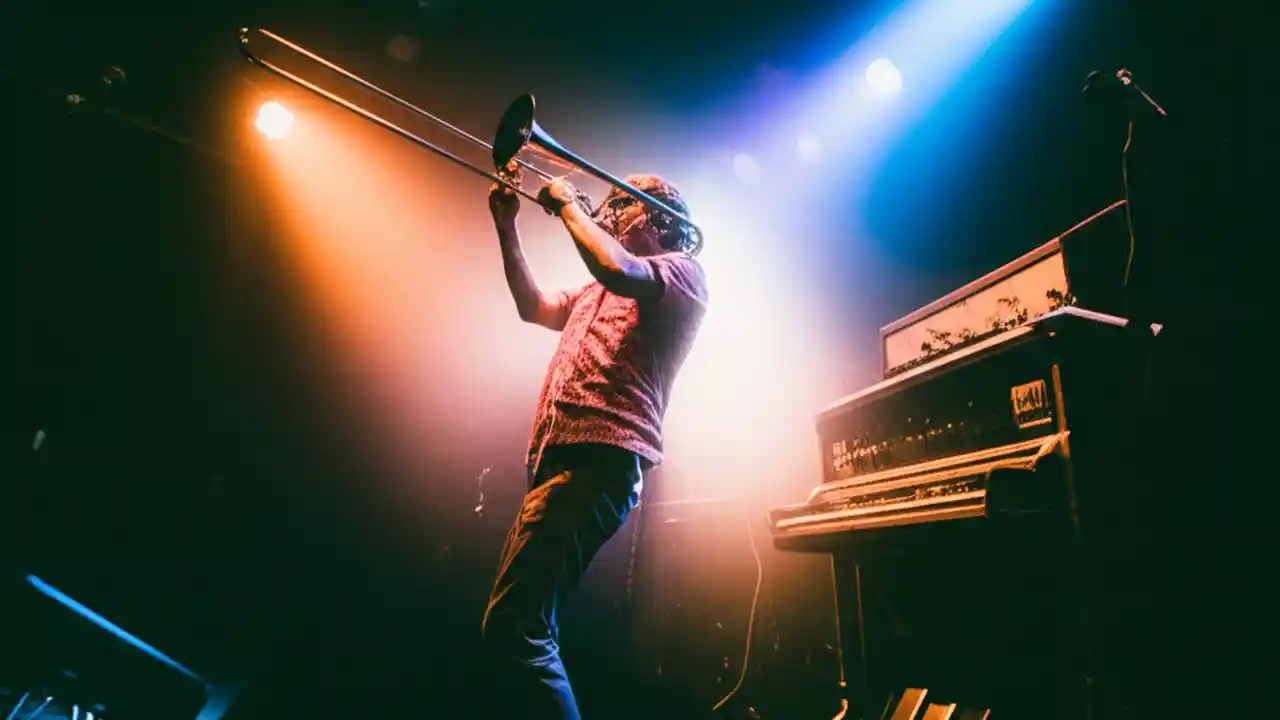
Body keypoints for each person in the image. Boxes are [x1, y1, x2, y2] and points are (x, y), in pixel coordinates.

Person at [481, 169, 708, 719]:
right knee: (518, 627)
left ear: (655, 215)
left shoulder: (681, 272)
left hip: (598, 455)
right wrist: (507, 226)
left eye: (622, 203)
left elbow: (617, 266)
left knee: (518, 628)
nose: (608, 210)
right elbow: (533, 306)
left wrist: (567, 208)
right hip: (564, 461)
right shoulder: (594, 288)